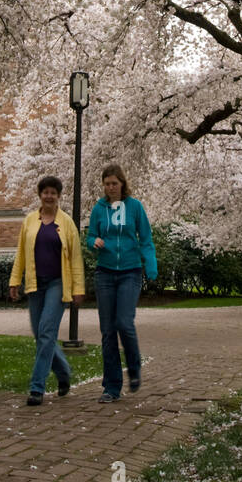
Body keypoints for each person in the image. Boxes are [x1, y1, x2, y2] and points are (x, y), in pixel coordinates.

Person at [9, 175, 85, 406]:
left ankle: (36, 388)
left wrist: (78, 288)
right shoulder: (30, 221)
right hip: (35, 284)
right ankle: (63, 373)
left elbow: (75, 258)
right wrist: (14, 281)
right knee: (41, 335)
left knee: (46, 333)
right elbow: (21, 253)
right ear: (40, 195)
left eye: (53, 192)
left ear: (58, 196)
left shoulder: (67, 223)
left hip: (58, 284)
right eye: (45, 192)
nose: (49, 196)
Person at [86, 163, 157, 402]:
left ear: (122, 183)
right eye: (107, 184)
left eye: (115, 183)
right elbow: (89, 235)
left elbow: (145, 238)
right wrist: (93, 241)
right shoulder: (99, 208)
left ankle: (134, 367)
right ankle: (111, 387)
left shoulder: (135, 207)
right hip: (104, 273)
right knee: (107, 332)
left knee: (124, 323)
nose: (111, 188)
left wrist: (151, 264)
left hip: (130, 271)